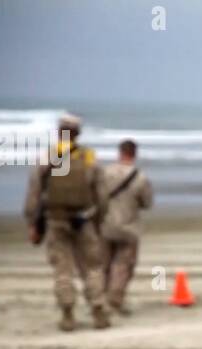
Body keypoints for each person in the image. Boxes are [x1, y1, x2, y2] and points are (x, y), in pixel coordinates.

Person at [24, 113, 110, 331]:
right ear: (78, 134)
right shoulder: (88, 157)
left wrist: (33, 222)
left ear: (59, 132)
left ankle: (68, 315)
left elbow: (35, 192)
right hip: (84, 219)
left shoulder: (50, 156)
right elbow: (101, 192)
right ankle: (98, 311)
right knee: (92, 267)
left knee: (63, 269)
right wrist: (99, 220)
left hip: (56, 220)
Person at [98, 139, 153, 315]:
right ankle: (115, 300)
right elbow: (147, 203)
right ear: (135, 154)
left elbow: (95, 196)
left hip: (105, 225)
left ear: (119, 152)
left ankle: (101, 298)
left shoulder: (104, 173)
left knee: (103, 264)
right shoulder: (140, 177)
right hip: (128, 227)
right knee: (123, 266)